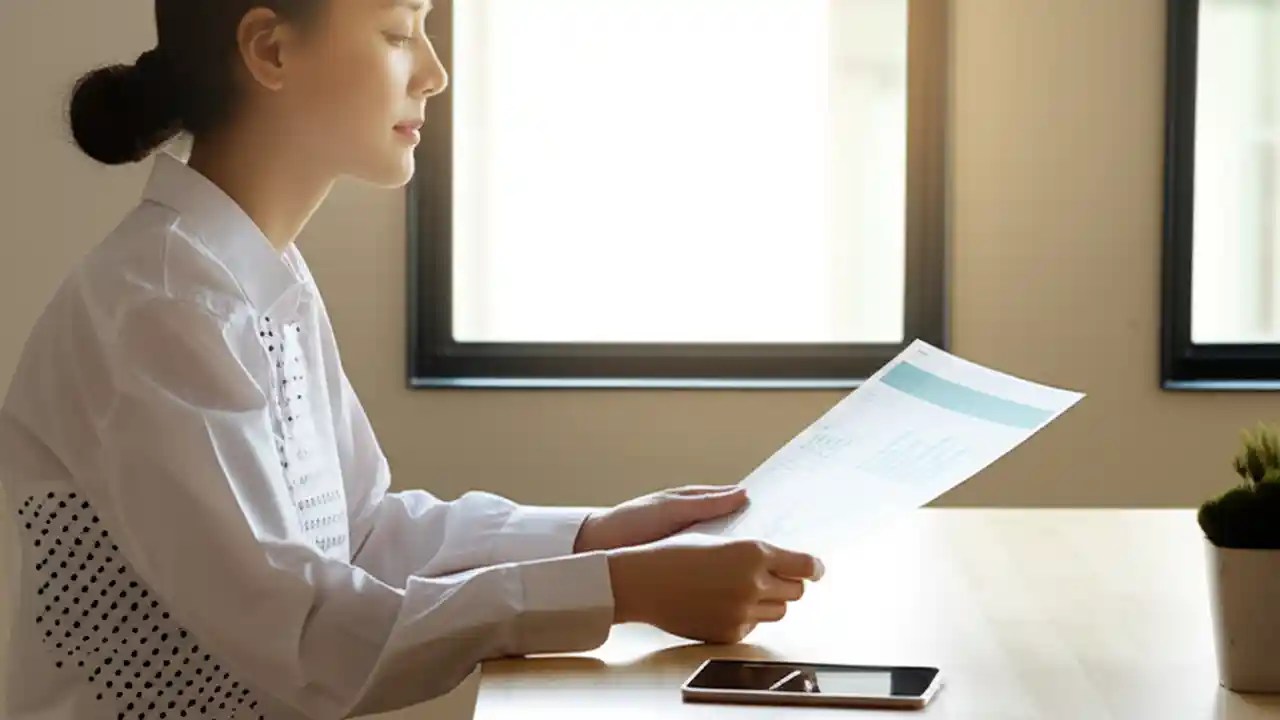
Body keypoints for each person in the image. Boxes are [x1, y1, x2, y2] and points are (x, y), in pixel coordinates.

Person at [0, 1, 824, 718]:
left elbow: (361, 534)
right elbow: (311, 638)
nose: (433, 73)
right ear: (271, 51)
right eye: (400, 31)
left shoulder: (252, 275)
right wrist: (623, 589)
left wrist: (593, 537)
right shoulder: (163, 304)